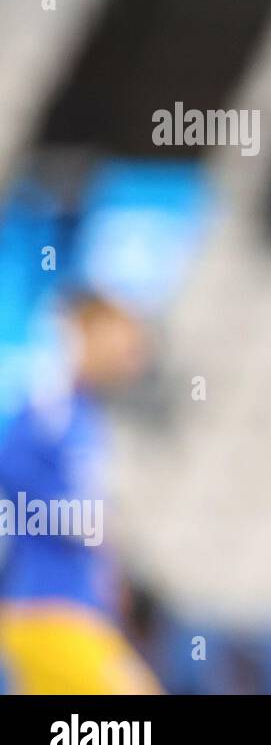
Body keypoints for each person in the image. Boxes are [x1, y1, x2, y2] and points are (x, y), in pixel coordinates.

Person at [0, 292, 162, 694]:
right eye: (125, 343)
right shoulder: (52, 407)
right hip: (49, 610)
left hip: (76, 613)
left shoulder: (84, 414)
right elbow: (13, 470)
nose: (134, 358)